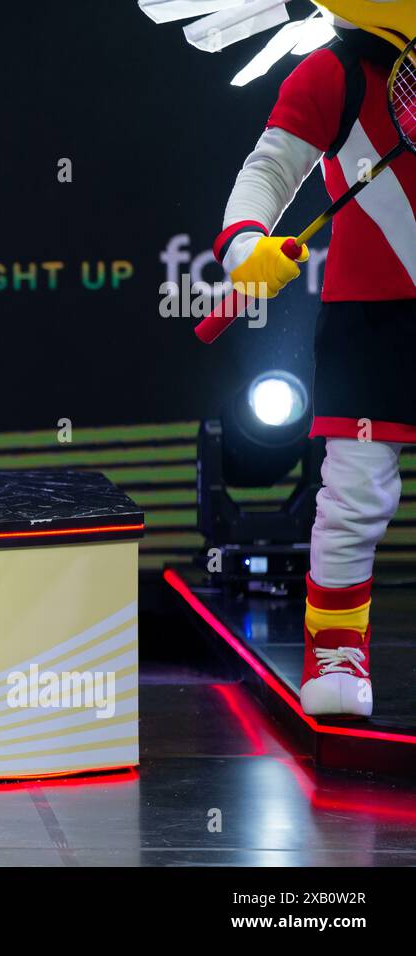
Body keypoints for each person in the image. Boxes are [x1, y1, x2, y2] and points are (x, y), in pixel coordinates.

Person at [210, 7, 414, 717]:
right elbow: (269, 166)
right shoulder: (331, 72)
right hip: (371, 321)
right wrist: (245, 243)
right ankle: (336, 650)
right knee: (356, 496)